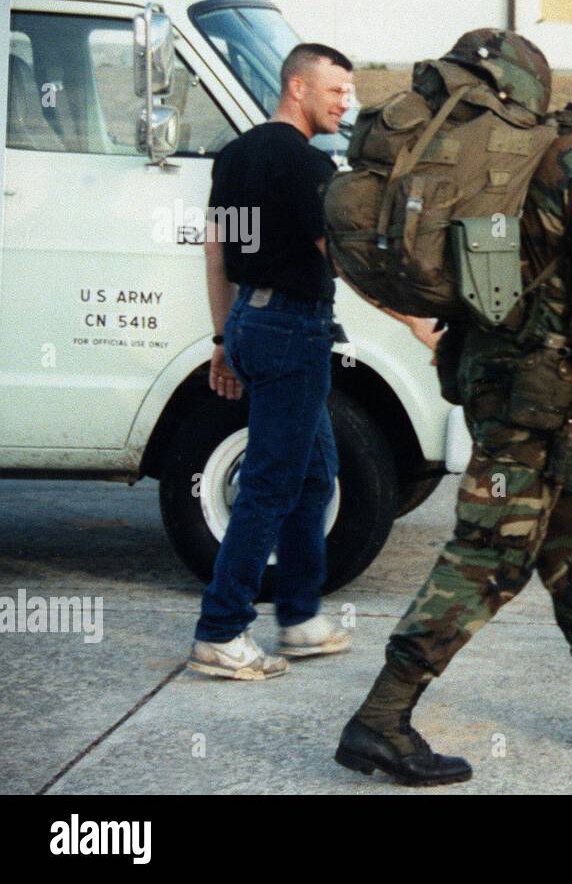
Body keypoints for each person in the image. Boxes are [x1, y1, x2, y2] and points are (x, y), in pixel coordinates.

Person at [334, 26, 572, 787]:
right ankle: (380, 719)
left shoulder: (535, 146)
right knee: (489, 554)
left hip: (511, 384)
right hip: (527, 396)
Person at [188, 43, 359, 680]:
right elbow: (338, 255)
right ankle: (221, 630)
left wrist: (222, 337)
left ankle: (299, 618)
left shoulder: (236, 155)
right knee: (269, 485)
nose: (347, 102)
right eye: (336, 90)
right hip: (292, 328)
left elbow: (216, 253)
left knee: (314, 475)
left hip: (253, 322)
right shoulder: (306, 164)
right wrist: (420, 319)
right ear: (297, 87)